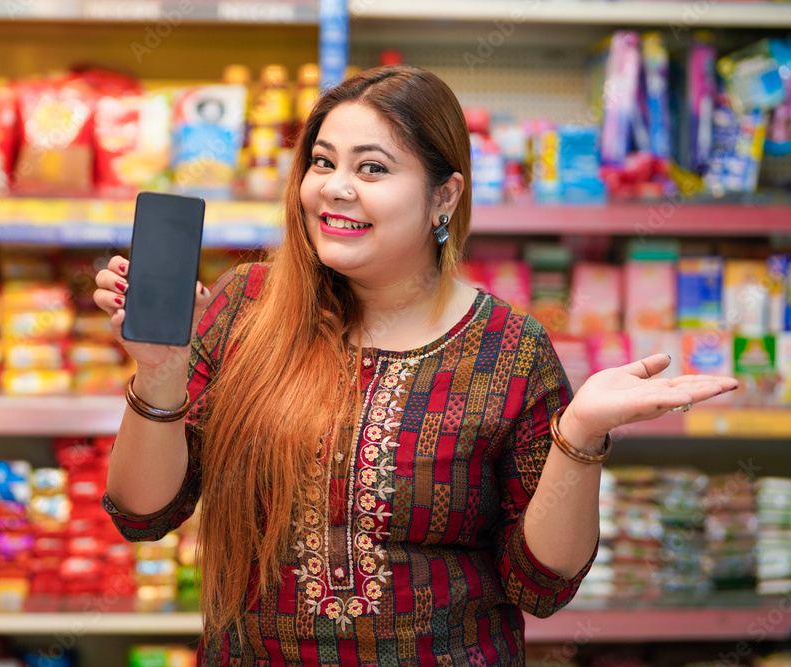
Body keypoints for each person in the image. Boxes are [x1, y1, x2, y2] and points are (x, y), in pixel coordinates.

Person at [93, 66, 737, 666]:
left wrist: (581, 436)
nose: (335, 188)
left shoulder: (509, 351)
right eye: (322, 162)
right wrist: (158, 370)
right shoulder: (245, 308)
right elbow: (142, 514)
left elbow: (541, 583)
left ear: (444, 195)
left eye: (372, 168)